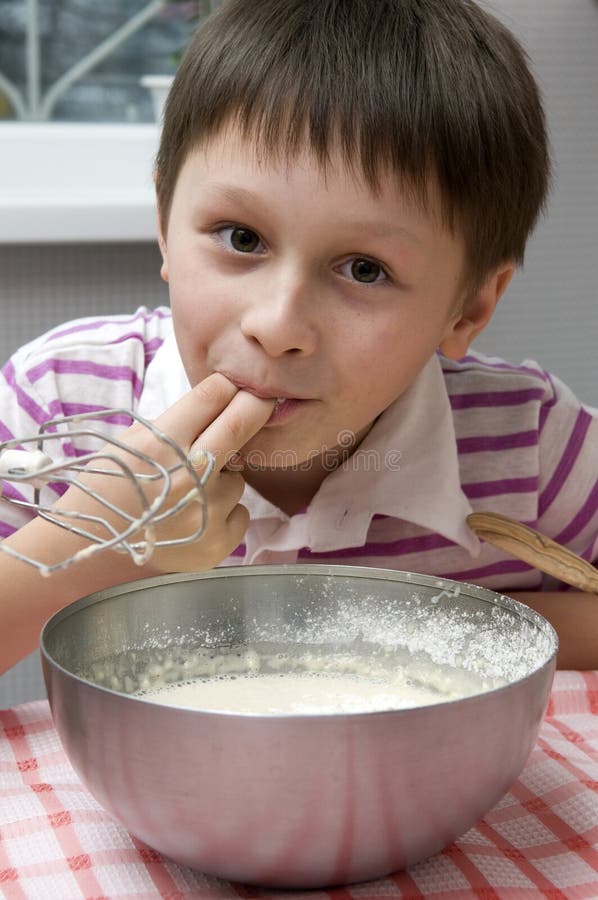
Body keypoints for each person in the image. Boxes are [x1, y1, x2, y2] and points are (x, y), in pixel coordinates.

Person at [0, 0, 596, 674]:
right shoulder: (61, 402)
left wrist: (429, 626)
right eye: (241, 237)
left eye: (364, 270)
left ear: (468, 309)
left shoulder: (532, 444)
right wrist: (97, 549)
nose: (277, 326)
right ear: (165, 222)